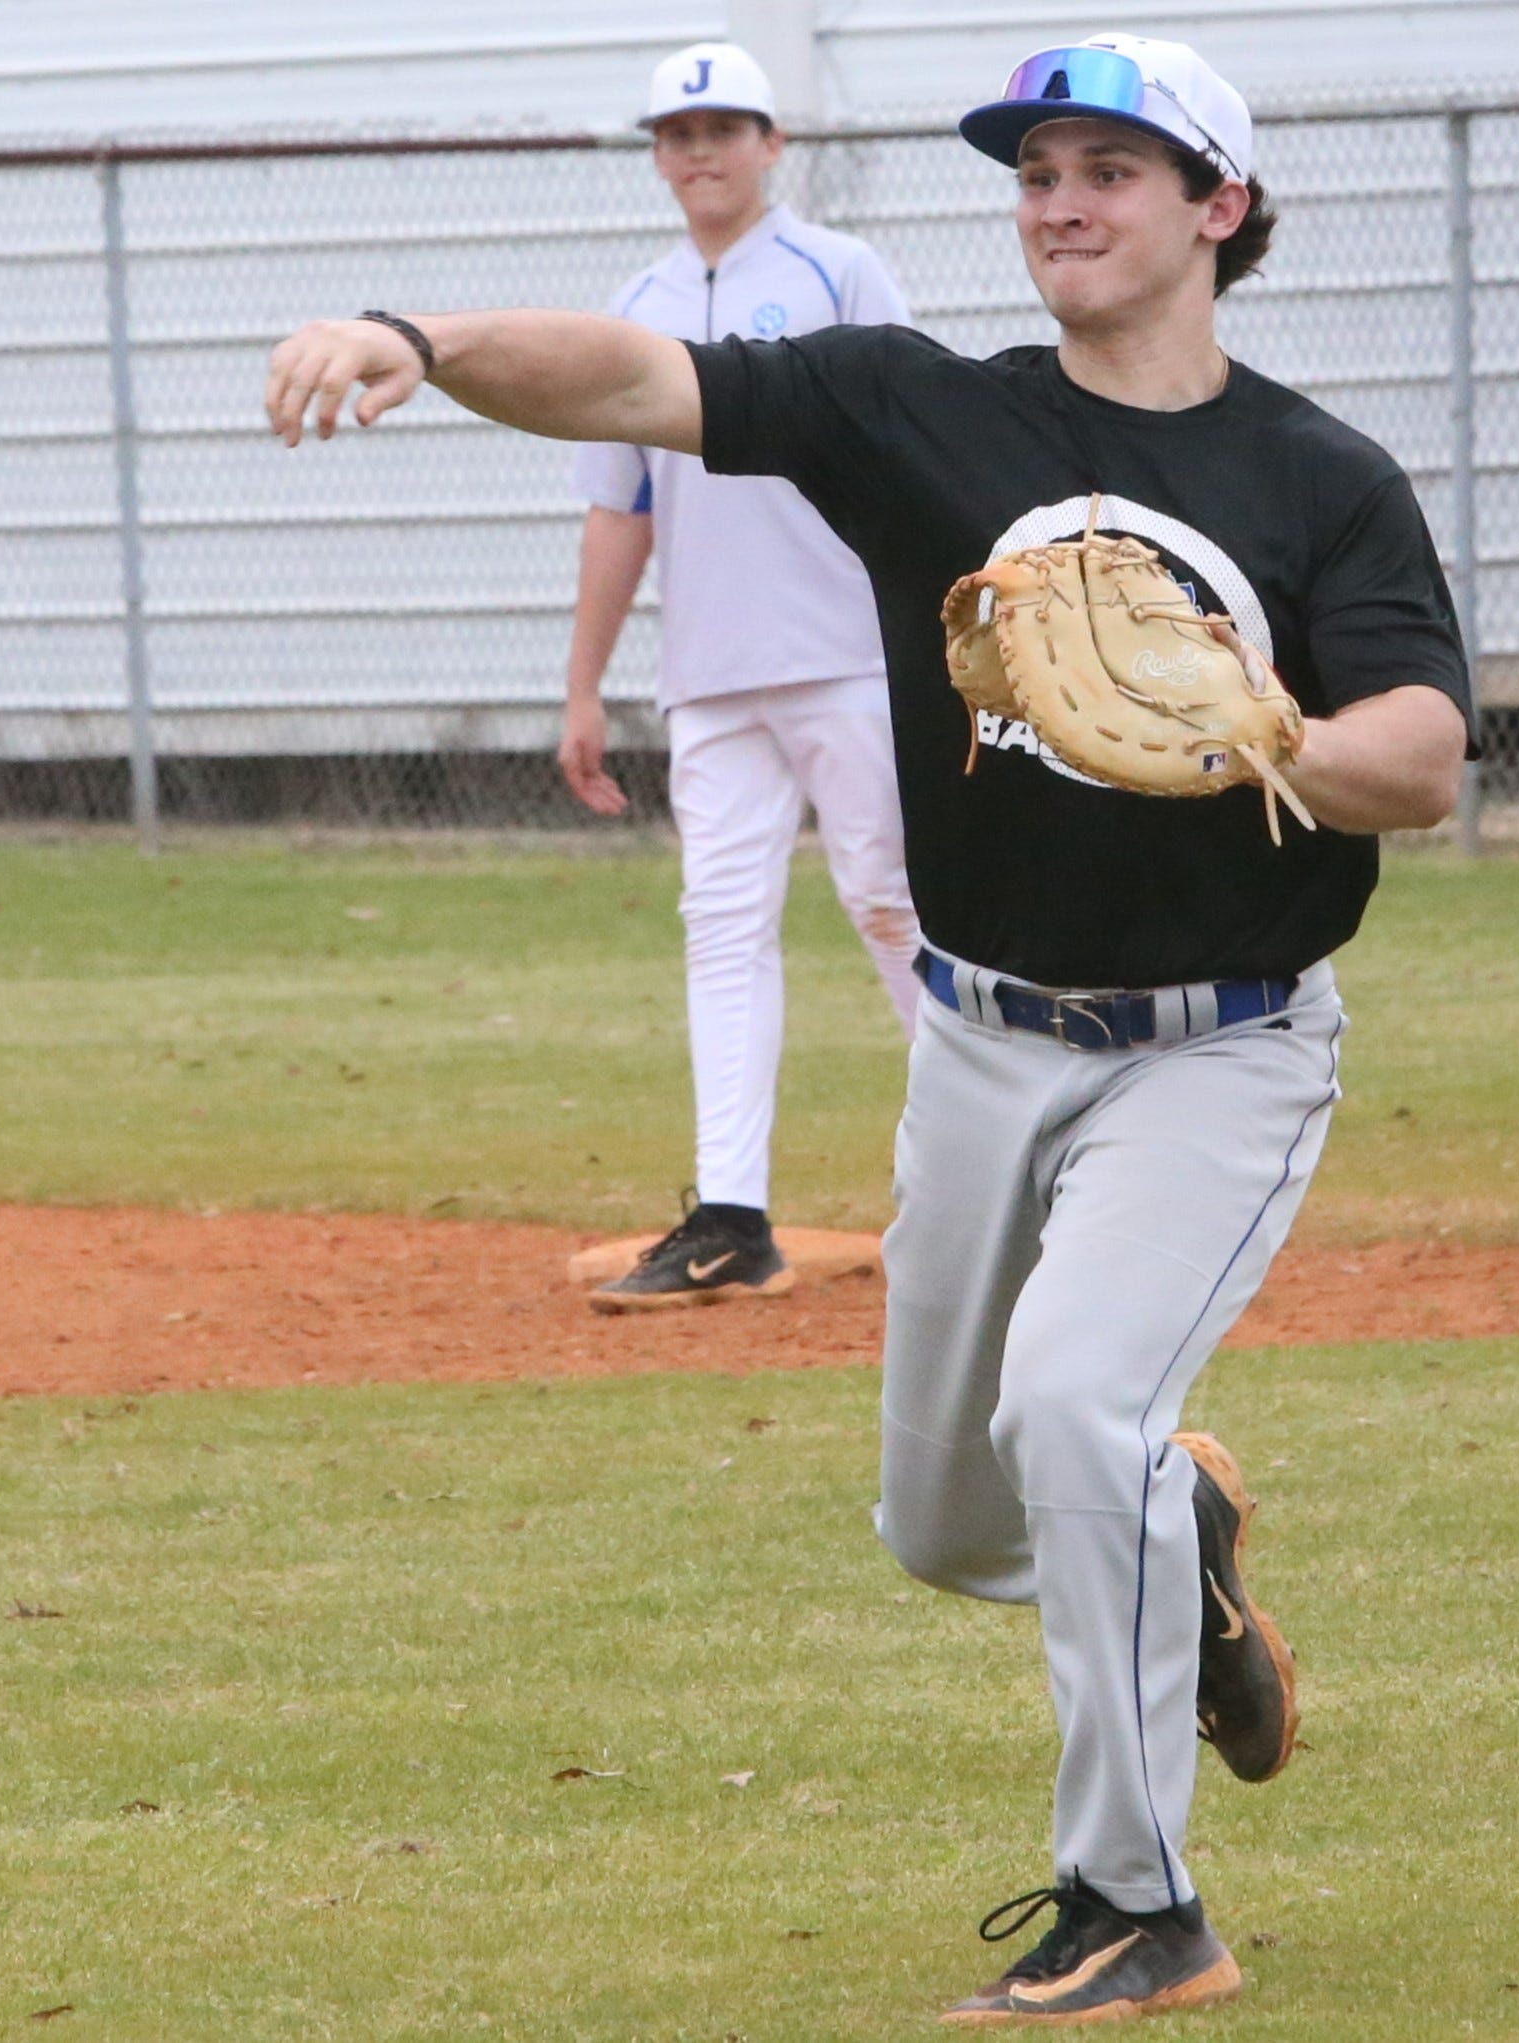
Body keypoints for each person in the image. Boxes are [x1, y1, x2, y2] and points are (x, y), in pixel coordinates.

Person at [266, 31, 1470, 2023]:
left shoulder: (1315, 479)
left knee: (1075, 1403)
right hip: (979, 1038)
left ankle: (1135, 1904)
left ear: (1214, 211)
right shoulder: (919, 409)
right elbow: (635, 380)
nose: (1059, 203)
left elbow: (1419, 755)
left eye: (1107, 168)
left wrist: (1269, 735)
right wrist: (415, 330)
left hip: (1216, 1044)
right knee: (941, 1516)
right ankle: (1182, 1546)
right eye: (1035, 174)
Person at [559, 41, 926, 1313]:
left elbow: (916, 446)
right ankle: (728, 1215)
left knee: (891, 902)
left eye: (725, 128)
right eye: (678, 132)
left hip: (848, 654)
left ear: (774, 144)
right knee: (719, 929)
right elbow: (620, 507)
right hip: (710, 674)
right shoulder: (638, 302)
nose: (700, 152)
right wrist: (583, 686)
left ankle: (993, 1173)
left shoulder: (837, 272)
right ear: (657, 155)